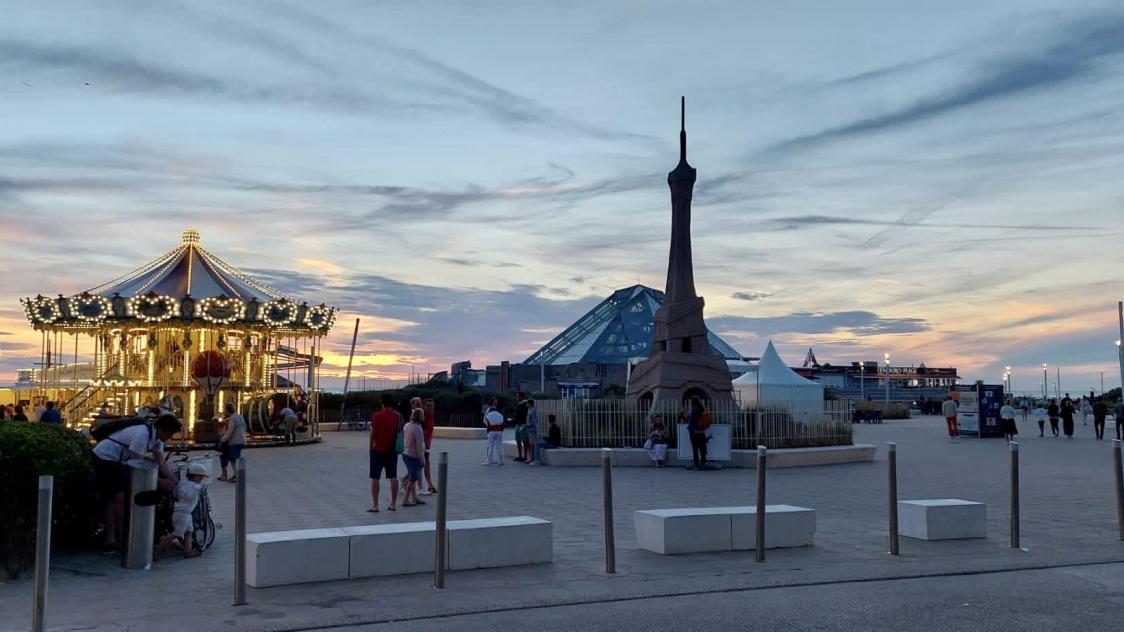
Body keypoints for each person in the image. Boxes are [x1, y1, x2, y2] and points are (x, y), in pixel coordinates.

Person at [92, 413, 182, 551]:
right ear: (162, 430)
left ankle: (114, 538)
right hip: (105, 459)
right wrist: (159, 481)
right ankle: (114, 538)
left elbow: (160, 461)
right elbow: (136, 465)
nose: (169, 438)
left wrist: (173, 479)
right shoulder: (142, 435)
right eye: (169, 434)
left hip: (119, 462)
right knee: (117, 499)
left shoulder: (156, 439)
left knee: (117, 498)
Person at [160, 462, 207, 558]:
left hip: (183, 512)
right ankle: (158, 548)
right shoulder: (196, 487)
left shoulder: (182, 483)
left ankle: (188, 551)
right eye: (201, 476)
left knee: (189, 531)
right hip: (183, 513)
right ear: (196, 476)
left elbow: (175, 493)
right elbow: (200, 490)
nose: (202, 478)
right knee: (177, 533)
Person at [369, 393, 402, 512]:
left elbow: (373, 434)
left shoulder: (376, 416)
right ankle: (393, 504)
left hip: (378, 450)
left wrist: (370, 447)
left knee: (375, 477)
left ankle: (375, 505)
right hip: (392, 450)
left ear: (382, 403)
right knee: (393, 476)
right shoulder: (397, 416)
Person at [401, 408, 426, 507]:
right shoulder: (418, 428)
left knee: (412, 476)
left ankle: (414, 497)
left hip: (406, 453)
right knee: (413, 478)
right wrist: (422, 458)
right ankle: (406, 499)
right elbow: (419, 446)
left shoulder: (407, 425)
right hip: (414, 455)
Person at [217, 402, 247, 482]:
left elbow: (229, 431)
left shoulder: (232, 419)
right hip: (242, 440)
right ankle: (236, 474)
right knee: (234, 458)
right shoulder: (240, 416)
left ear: (227, 410)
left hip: (236, 441)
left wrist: (222, 440)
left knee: (232, 458)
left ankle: (237, 475)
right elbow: (245, 427)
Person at [421, 399, 438, 494]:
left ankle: (405, 481)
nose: (429, 407)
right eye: (427, 405)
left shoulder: (431, 415)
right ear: (424, 406)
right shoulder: (422, 416)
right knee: (425, 464)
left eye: (431, 405)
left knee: (420, 465)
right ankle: (430, 485)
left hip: (427, 445)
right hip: (423, 445)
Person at [686, 396, 707, 470]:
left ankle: (696, 464)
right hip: (701, 431)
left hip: (694, 431)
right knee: (702, 448)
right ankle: (703, 463)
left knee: (695, 448)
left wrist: (689, 428)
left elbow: (692, 421)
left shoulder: (694, 409)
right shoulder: (702, 409)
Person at [483, 399, 505, 466]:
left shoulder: (489, 413)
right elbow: (503, 423)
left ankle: (489, 461)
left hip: (492, 430)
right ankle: (500, 461)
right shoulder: (500, 414)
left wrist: (488, 429)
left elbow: (486, 422)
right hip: (499, 431)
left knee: (490, 446)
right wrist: (501, 429)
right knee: (499, 446)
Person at [513, 392, 529, 462]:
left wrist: (524, 424)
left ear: (521, 397)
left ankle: (525, 456)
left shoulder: (525, 405)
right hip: (517, 425)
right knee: (518, 440)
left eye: (517, 397)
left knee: (524, 441)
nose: (516, 398)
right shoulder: (519, 404)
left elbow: (525, 415)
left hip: (522, 425)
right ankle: (520, 456)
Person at [523, 399, 540, 464]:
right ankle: (530, 458)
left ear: (530, 404)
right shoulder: (530, 410)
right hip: (529, 429)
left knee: (532, 444)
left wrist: (526, 425)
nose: (526, 404)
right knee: (530, 444)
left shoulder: (533, 411)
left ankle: (533, 459)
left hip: (532, 429)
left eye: (527, 403)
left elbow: (533, 422)